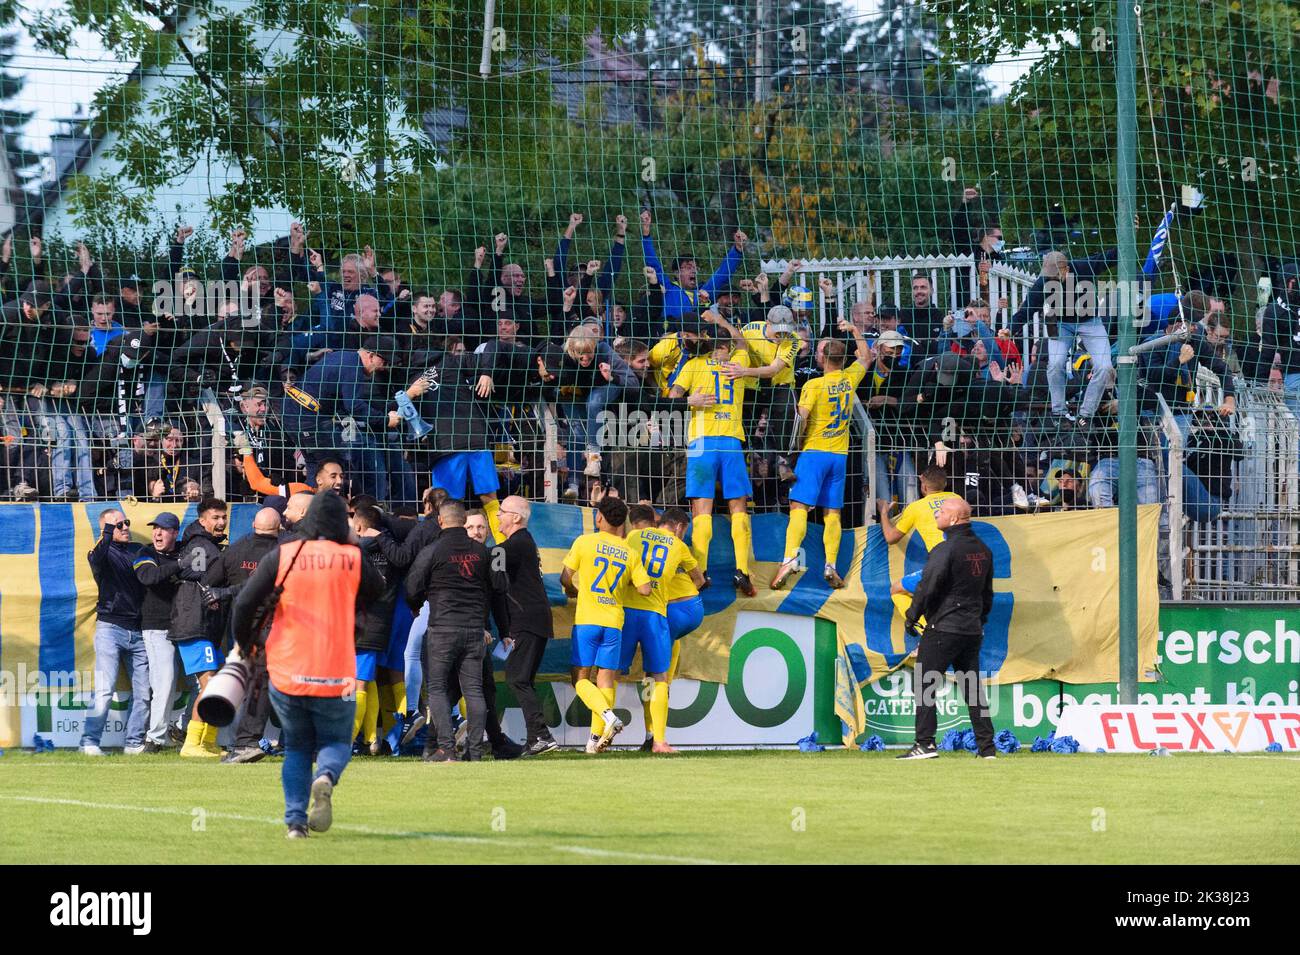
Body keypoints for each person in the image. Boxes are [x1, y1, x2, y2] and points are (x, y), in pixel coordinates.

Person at [232, 491, 385, 838]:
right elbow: (378, 591)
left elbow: (244, 604)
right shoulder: (352, 557)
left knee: (297, 747)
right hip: (336, 672)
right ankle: (326, 776)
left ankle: (296, 823)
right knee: (337, 742)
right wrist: (351, 545)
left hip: (288, 672)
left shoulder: (283, 555)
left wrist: (246, 644)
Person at [404, 502, 512, 763]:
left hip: (442, 628)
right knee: (474, 690)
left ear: (441, 521)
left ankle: (447, 750)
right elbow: (499, 586)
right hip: (475, 630)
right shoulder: (486, 553)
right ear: (463, 521)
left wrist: (416, 606)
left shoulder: (432, 550)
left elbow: (412, 586)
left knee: (439, 689)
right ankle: (474, 752)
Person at [772, 323, 871, 590]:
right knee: (832, 513)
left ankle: (790, 558)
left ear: (822, 358)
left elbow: (800, 420)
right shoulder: (849, 379)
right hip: (839, 457)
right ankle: (830, 564)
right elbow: (866, 356)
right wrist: (853, 329)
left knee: (799, 508)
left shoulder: (814, 385)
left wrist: (791, 450)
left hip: (814, 453)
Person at [897, 497, 997, 760]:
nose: (936, 515)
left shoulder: (944, 550)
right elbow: (987, 594)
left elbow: (927, 586)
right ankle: (987, 749)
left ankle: (925, 744)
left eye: (940, 512)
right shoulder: (984, 549)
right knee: (973, 689)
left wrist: (911, 616)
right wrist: (980, 621)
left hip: (942, 627)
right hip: (972, 629)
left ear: (953, 519)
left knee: (925, 685)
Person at [561, 495, 653, 753]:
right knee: (606, 680)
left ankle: (608, 716)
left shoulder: (585, 542)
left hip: (588, 620)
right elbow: (645, 589)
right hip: (614, 622)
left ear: (600, 518)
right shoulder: (630, 553)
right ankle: (594, 742)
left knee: (579, 679)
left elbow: (565, 577)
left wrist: (573, 590)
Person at [668, 331, 757, 596]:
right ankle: (742, 571)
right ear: (725, 346)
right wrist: (721, 320)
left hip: (701, 442)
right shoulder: (738, 364)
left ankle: (702, 572)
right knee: (738, 507)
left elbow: (673, 397)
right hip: (731, 441)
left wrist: (688, 400)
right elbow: (742, 341)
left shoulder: (693, 365)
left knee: (702, 510)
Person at [204, 507, 285, 763]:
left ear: (253, 524)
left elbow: (210, 580)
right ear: (279, 526)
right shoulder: (285, 549)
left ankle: (248, 742)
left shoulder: (236, 548)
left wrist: (223, 595)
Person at [623, 504, 704, 754]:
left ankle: (641, 735)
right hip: (682, 611)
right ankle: (657, 739)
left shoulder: (634, 537)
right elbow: (700, 580)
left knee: (619, 674)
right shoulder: (678, 546)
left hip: (651, 611)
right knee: (659, 677)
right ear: (679, 527)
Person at [81, 508, 151, 756]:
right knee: (104, 688)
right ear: (106, 531)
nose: (125, 528)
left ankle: (134, 743)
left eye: (126, 523)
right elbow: (97, 556)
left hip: (139, 631)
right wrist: (107, 534)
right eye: (117, 525)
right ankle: (89, 742)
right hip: (110, 628)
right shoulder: (100, 554)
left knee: (143, 693)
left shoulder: (138, 550)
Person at [495, 496, 560, 757]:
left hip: (527, 620)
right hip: (535, 619)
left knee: (517, 678)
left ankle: (541, 735)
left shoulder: (514, 544)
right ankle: (536, 738)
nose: (498, 515)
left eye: (502, 511)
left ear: (516, 517)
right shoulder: (523, 543)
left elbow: (491, 567)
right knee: (523, 679)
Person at [172, 498, 229, 758]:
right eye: (215, 518)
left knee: (217, 685)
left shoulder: (209, 546)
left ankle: (208, 742)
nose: (220, 522)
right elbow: (188, 574)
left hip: (207, 625)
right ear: (202, 520)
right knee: (210, 685)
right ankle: (192, 744)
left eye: (223, 517)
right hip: (194, 623)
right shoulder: (199, 545)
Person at [877, 467, 962, 634]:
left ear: (923, 485)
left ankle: (927, 633)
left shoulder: (916, 507)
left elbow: (891, 538)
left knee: (896, 589)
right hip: (965, 564)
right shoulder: (957, 499)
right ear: (945, 483)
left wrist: (884, 513)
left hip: (942, 567)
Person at [132, 512, 183, 752]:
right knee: (165, 683)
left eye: (163, 529)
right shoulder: (145, 553)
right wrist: (181, 566)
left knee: (202, 683)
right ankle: (154, 738)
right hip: (156, 627)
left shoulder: (184, 551)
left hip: (185, 627)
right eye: (155, 528)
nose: (157, 533)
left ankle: (181, 728)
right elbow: (149, 577)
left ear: (175, 533)